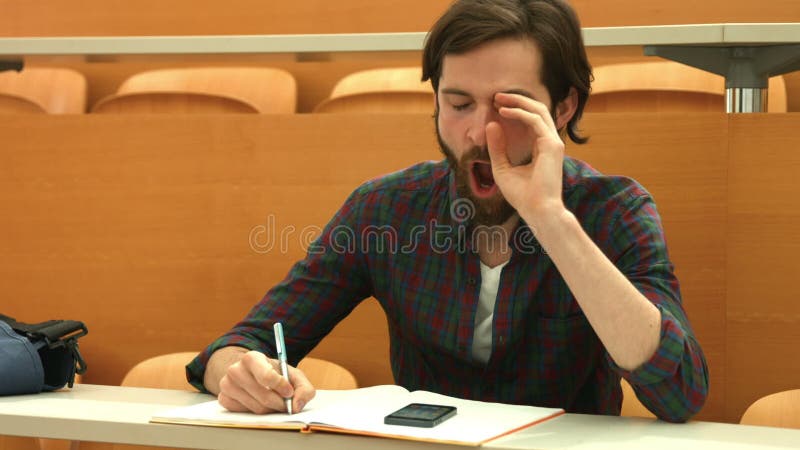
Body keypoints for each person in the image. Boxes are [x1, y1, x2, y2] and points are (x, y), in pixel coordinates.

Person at [187, 0, 708, 422]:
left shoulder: (614, 210)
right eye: (458, 104)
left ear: (563, 108)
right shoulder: (386, 209)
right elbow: (242, 342)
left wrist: (551, 219)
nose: (480, 133)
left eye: (509, 107)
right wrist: (237, 371)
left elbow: (680, 393)